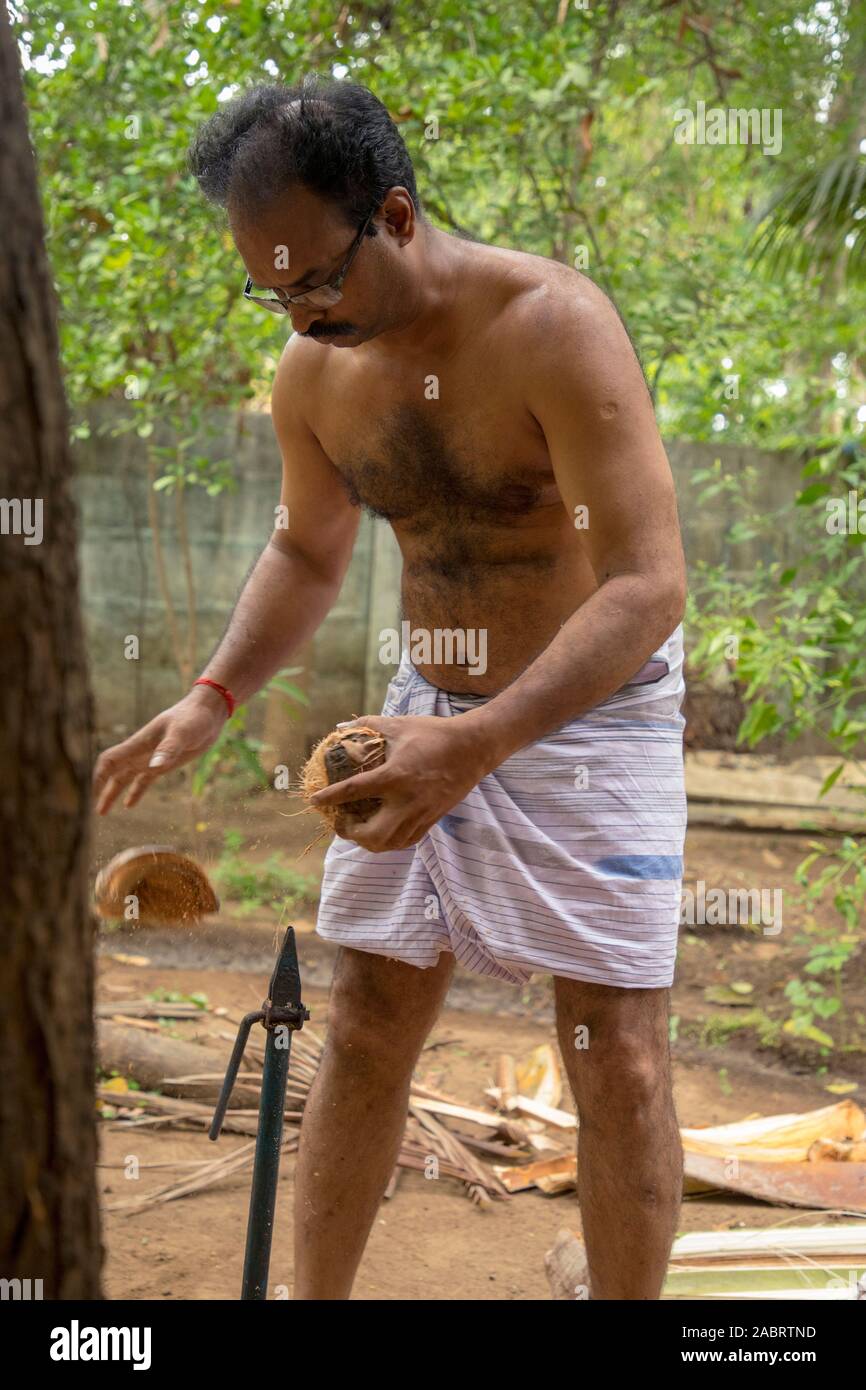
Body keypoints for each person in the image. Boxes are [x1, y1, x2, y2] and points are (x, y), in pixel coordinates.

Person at [94, 75, 688, 1301]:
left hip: (593, 714)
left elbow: (645, 587)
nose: (299, 315)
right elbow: (307, 551)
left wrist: (479, 746)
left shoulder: (551, 327)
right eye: (270, 289)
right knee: (363, 1020)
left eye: (315, 278)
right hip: (423, 705)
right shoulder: (315, 376)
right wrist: (213, 693)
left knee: (615, 1052)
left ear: (398, 216)